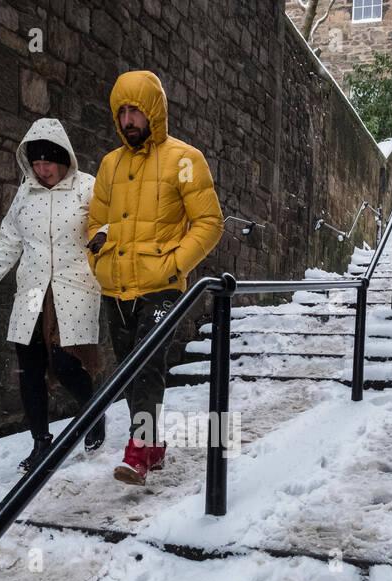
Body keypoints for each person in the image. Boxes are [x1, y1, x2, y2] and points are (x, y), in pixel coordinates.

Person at [87, 70, 223, 485]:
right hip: (116, 286)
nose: (129, 120)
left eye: (136, 112)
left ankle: (139, 448)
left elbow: (209, 222)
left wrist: (174, 265)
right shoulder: (110, 165)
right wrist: (98, 251)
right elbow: (96, 221)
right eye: (122, 111)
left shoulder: (184, 161)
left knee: (146, 365)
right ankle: (153, 445)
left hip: (162, 286)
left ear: (154, 113)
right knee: (131, 369)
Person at [0, 118, 105, 472]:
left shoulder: (87, 188)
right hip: (31, 291)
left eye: (48, 162)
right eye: (36, 163)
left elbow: (110, 221)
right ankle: (41, 443)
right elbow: (8, 242)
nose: (41, 169)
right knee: (29, 369)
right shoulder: (24, 195)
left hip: (74, 287)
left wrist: (104, 235)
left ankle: (94, 412)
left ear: (64, 159)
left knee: (65, 362)